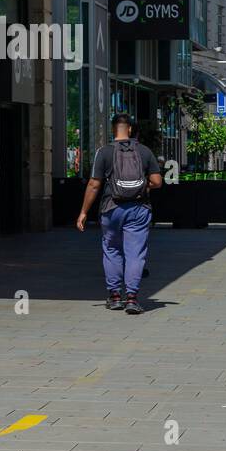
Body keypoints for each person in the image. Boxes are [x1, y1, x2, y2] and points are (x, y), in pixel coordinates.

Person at [77, 113, 163, 314]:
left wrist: (83, 212)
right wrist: (142, 188)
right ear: (130, 129)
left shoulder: (104, 152)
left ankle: (115, 297)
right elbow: (158, 182)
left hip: (111, 208)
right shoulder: (144, 151)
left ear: (113, 129)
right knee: (135, 253)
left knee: (112, 249)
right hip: (139, 208)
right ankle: (132, 298)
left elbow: (94, 184)